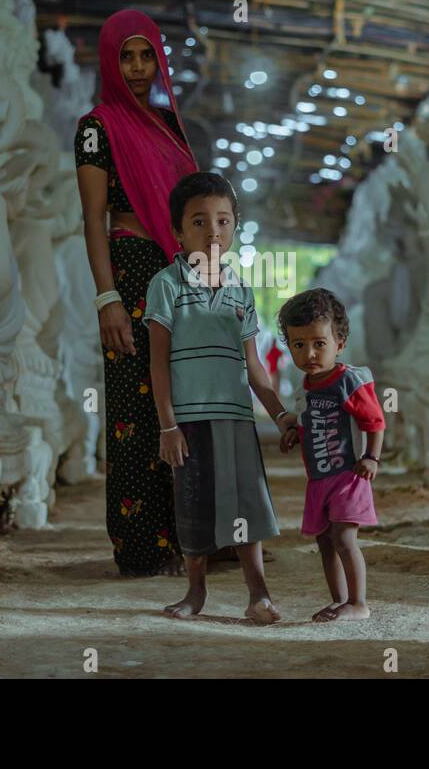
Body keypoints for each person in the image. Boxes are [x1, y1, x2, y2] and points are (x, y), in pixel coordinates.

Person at [74, 9, 198, 577]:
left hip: (179, 272)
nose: (140, 67)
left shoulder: (169, 125)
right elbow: (93, 219)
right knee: (133, 408)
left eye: (147, 55)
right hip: (128, 270)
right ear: (109, 60)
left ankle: (200, 535)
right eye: (127, 56)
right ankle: (143, 548)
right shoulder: (96, 127)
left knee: (190, 401)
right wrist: (108, 299)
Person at [143, 172, 298, 623]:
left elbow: (254, 367)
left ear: (234, 227)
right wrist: (168, 426)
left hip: (235, 418)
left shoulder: (242, 290)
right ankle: (195, 594)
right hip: (188, 422)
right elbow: (158, 363)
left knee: (245, 506)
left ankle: (259, 595)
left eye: (223, 220)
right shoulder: (166, 285)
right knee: (194, 508)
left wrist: (282, 414)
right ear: (177, 230)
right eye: (199, 221)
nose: (213, 231)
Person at [277, 288, 385, 621]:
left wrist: (371, 458)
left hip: (348, 475)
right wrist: (296, 433)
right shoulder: (307, 386)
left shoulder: (349, 381)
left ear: (339, 343)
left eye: (319, 343)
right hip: (319, 479)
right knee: (325, 541)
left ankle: (359, 602)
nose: (309, 352)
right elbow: (311, 419)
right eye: (299, 344)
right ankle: (340, 601)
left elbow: (375, 421)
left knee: (343, 537)